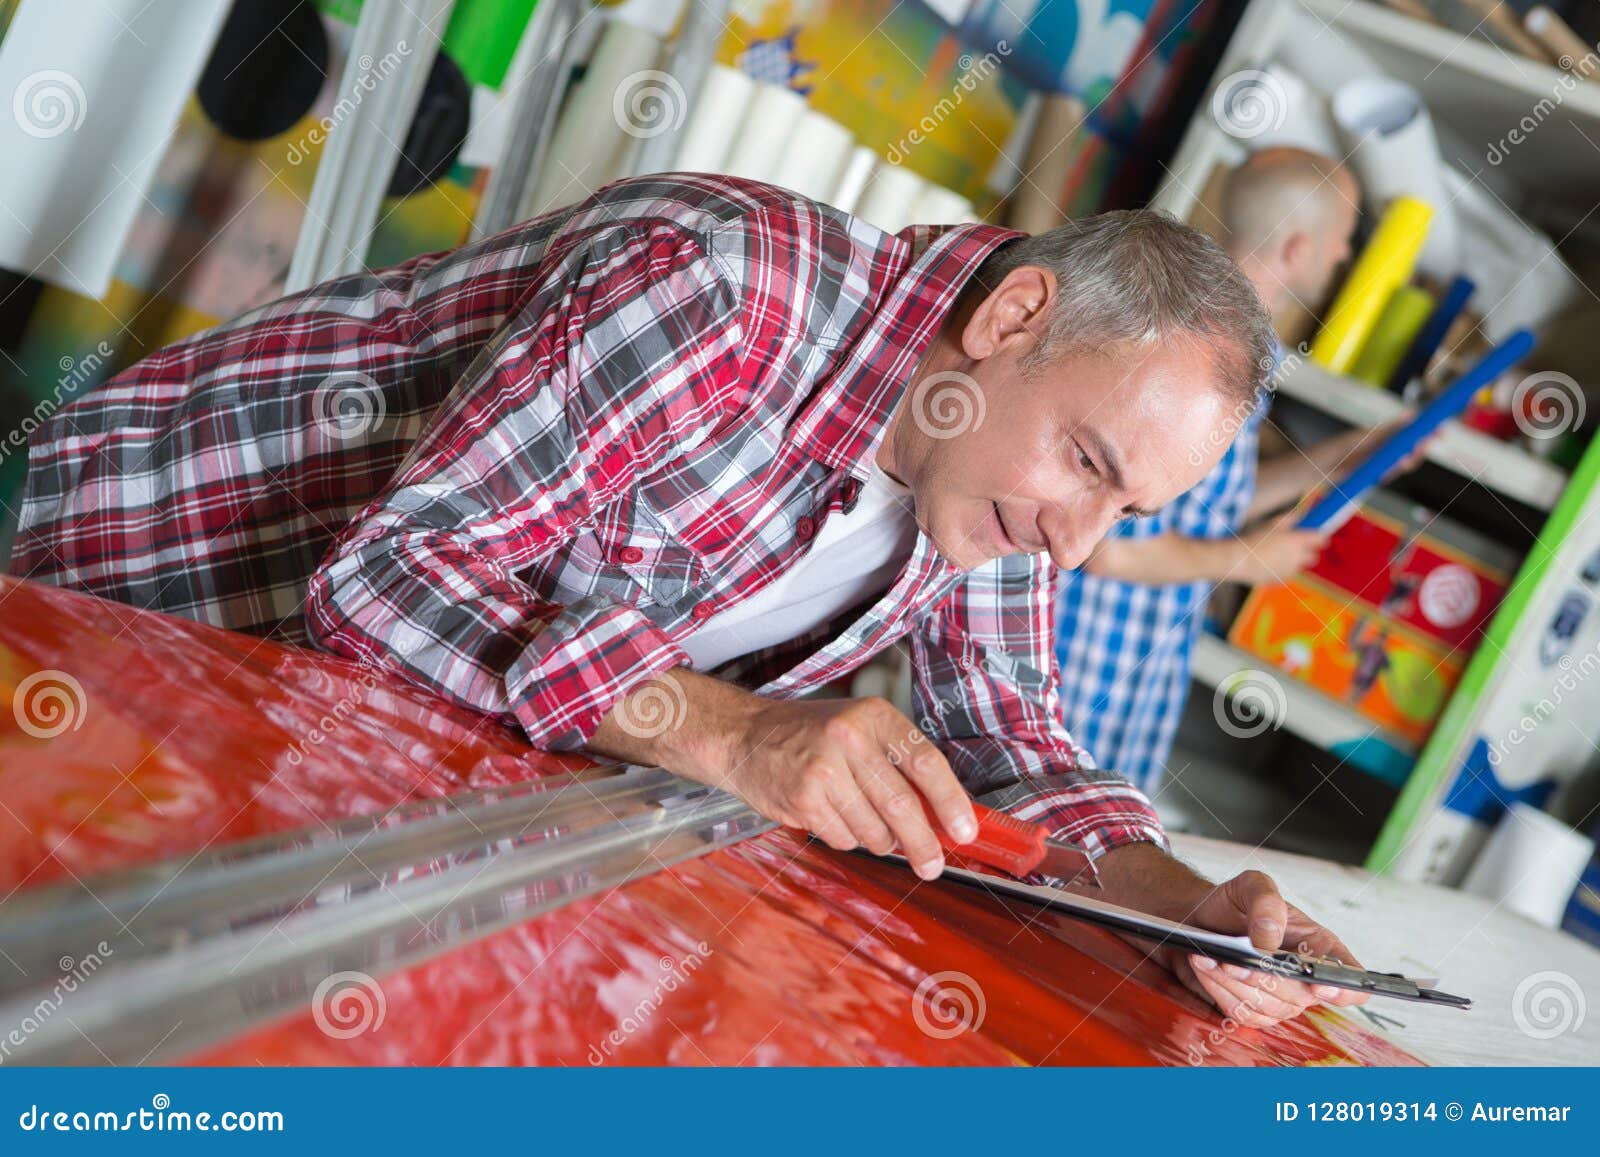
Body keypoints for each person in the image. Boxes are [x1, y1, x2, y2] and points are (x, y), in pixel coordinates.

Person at [10, 171, 1366, 1026]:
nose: (1076, 548)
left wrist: (1178, 901)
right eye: (1089, 467)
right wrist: (730, 734)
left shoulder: (986, 481)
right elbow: (389, 579)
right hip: (93, 598)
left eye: (1124, 515)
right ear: (1013, 322)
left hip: (245, 748)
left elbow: (1018, 744)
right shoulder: (728, 285)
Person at [1054, 147, 1416, 807]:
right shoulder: (1197, 346)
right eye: (1342, 241)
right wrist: (1246, 558)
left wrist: (1349, 454)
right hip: (1080, 675)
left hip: (1135, 676)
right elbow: (1106, 553)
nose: (1343, 259)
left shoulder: (1243, 353)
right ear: (1300, 247)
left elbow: (1209, 502)